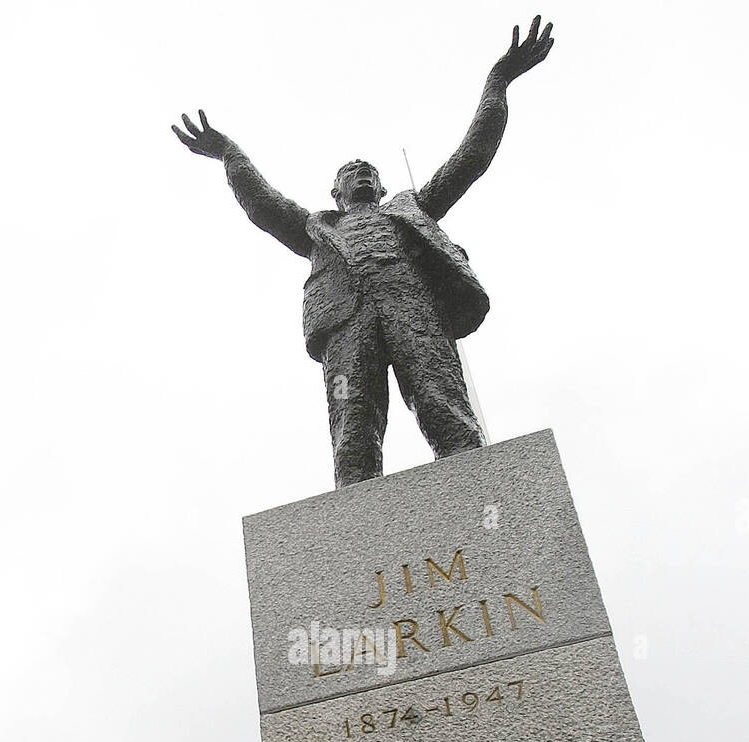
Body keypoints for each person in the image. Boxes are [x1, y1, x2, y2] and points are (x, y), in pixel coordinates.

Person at [172, 18, 554, 487]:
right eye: (352, 171)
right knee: (352, 425)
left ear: (383, 187)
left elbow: (471, 156)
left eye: (370, 170)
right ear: (335, 192)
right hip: (346, 322)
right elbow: (262, 202)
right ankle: (355, 510)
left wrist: (498, 81)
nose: (363, 173)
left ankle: (479, 491)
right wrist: (229, 153)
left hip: (412, 308)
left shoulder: (412, 209)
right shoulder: (315, 228)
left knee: (443, 405)